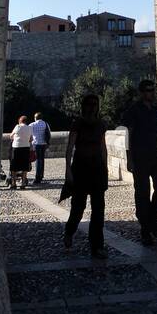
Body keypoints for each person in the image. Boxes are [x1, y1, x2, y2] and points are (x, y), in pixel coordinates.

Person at [121, 79, 157, 245]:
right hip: (140, 157)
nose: (152, 93)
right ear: (142, 93)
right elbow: (128, 134)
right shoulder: (133, 111)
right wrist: (129, 158)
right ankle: (146, 229)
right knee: (142, 194)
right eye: (149, 90)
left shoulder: (156, 110)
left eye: (153, 90)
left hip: (156, 155)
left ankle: (153, 222)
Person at [63, 94, 108, 259]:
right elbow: (70, 147)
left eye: (95, 104)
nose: (92, 107)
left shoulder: (101, 124)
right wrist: (68, 170)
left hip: (97, 169)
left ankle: (97, 245)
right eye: (89, 104)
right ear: (84, 106)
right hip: (80, 169)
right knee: (78, 207)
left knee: (98, 209)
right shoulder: (78, 124)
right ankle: (69, 231)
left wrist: (105, 166)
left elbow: (103, 147)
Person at [8, 115, 33, 190]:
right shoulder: (29, 128)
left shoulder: (17, 127)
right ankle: (23, 184)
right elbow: (31, 139)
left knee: (14, 166)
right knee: (24, 166)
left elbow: (11, 136)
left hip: (16, 148)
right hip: (26, 148)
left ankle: (13, 184)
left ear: (20, 121)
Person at [29, 111, 51, 186]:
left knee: (38, 160)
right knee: (42, 159)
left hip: (36, 144)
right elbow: (49, 133)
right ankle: (41, 175)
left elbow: (28, 132)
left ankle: (37, 178)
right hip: (44, 144)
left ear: (35, 118)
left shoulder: (32, 124)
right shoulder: (45, 124)